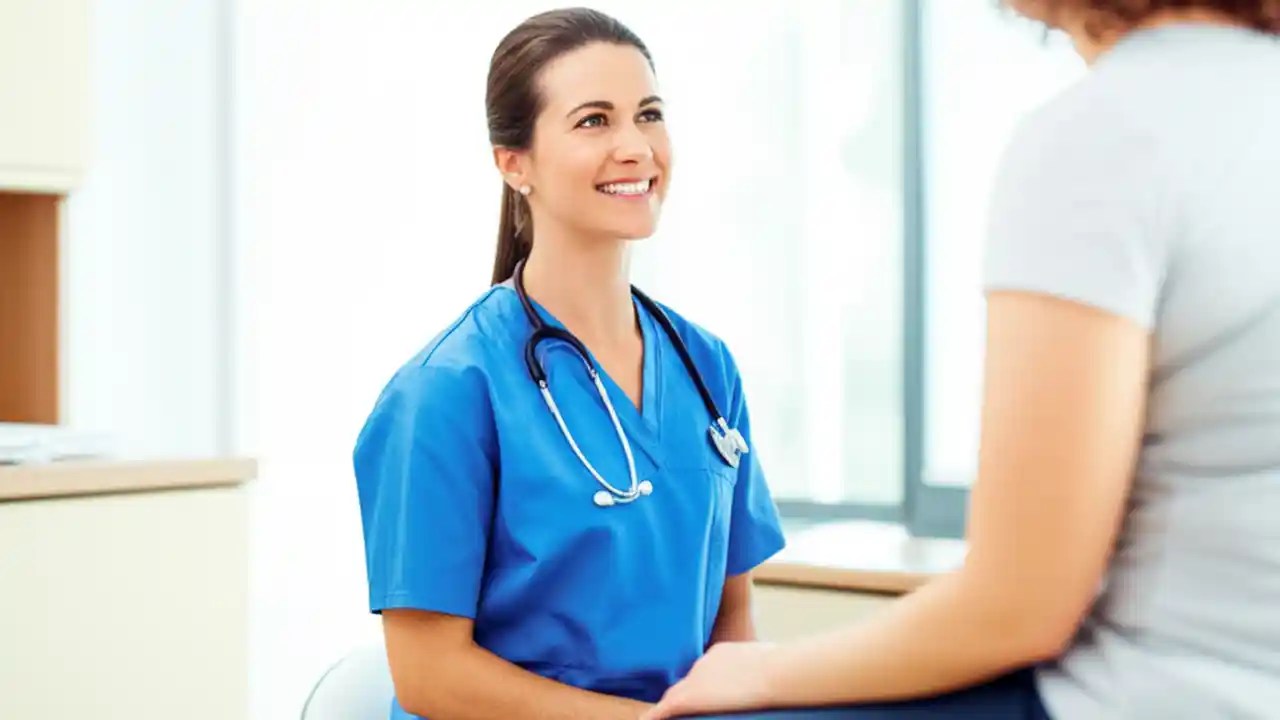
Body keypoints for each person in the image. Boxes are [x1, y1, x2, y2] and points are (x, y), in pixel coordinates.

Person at [643, 2, 1280, 719]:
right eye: (593, 120)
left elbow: (1022, 605)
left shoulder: (1110, 134)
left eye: (648, 115)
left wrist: (756, 675)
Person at [351, 7, 786, 720]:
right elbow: (430, 674)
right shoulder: (446, 392)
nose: (635, 147)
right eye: (594, 121)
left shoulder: (705, 367)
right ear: (512, 162)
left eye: (648, 114)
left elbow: (730, 622)